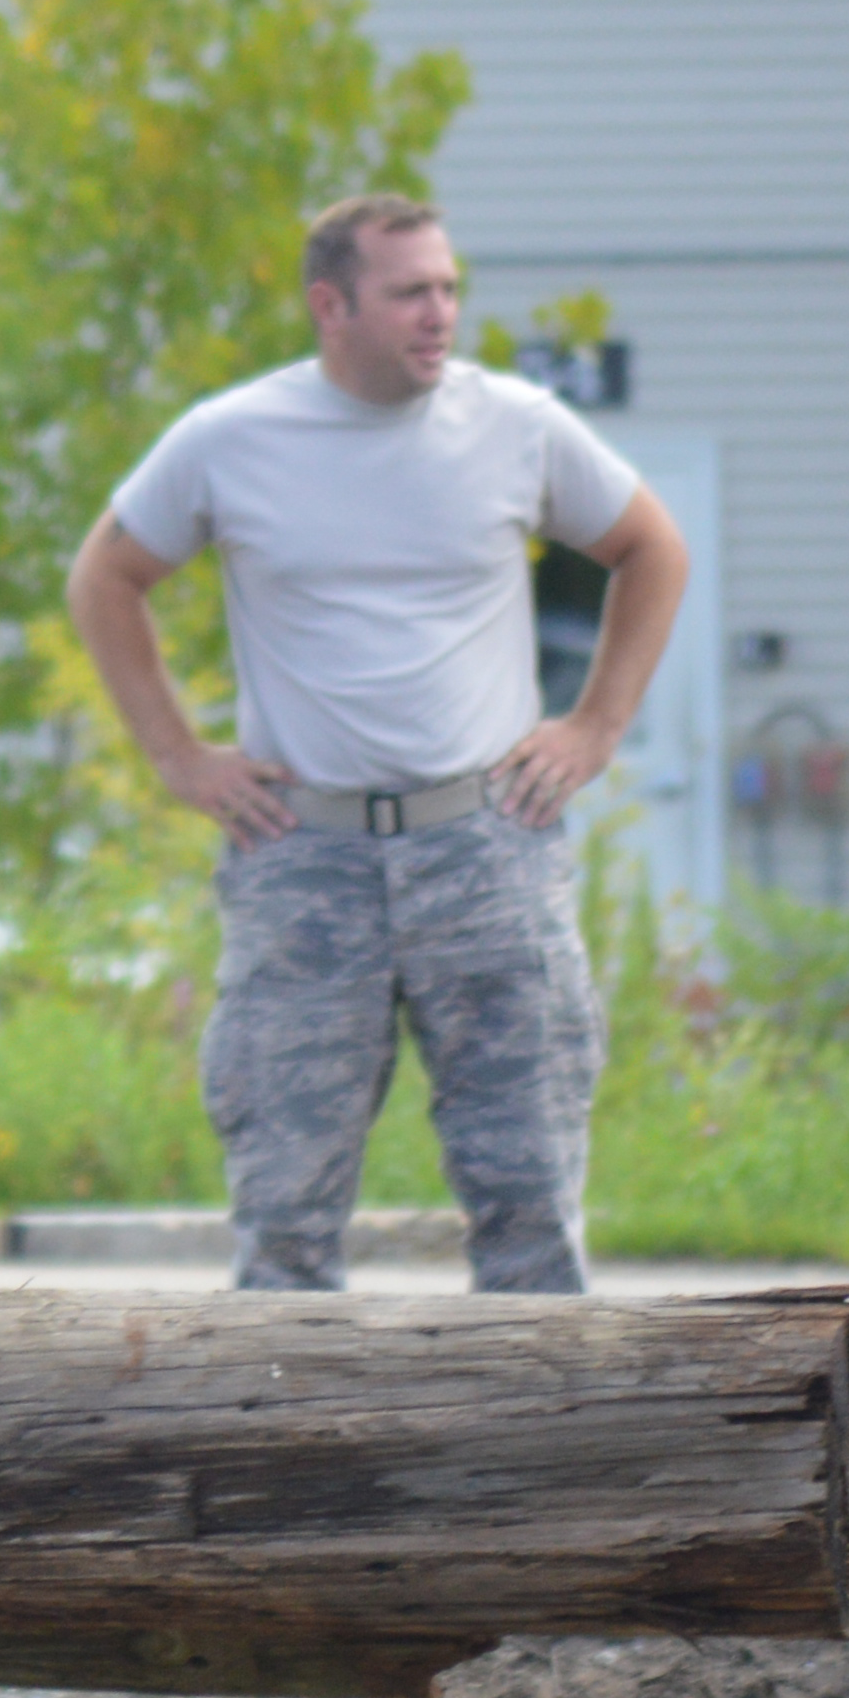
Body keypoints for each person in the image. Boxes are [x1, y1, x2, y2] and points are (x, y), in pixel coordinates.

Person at [67, 196, 694, 1293]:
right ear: (330, 304)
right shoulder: (230, 439)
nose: (438, 312)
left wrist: (593, 726)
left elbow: (652, 548)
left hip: (486, 846)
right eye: (409, 291)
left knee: (529, 1207)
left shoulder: (516, 425)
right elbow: (104, 578)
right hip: (305, 857)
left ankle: (539, 1454)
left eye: (448, 287)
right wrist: (179, 756)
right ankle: (293, 1455)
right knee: (285, 1216)